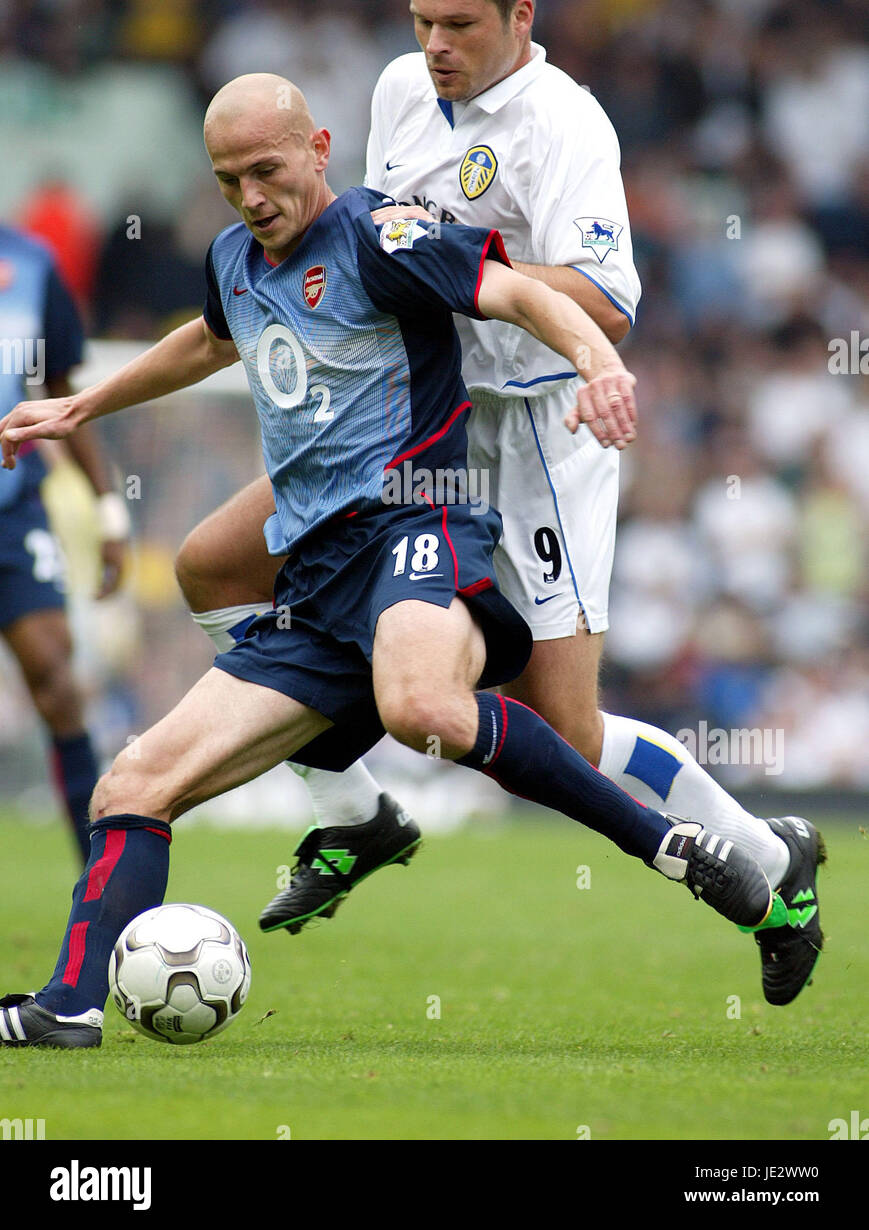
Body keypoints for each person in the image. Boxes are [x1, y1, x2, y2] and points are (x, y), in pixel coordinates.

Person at [0, 75, 774, 1048]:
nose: (250, 196)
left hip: (419, 524)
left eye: (268, 171)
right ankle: (67, 1006)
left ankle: (672, 845)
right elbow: (207, 342)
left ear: (320, 148)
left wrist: (598, 363)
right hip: (318, 583)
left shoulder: (379, 234)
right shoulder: (234, 256)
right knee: (134, 781)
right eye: (229, 178)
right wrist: (79, 407)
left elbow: (516, 291)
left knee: (420, 709)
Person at [174, 0, 824, 1007]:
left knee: (560, 724)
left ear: (520, 16)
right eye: (422, 18)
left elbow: (607, 299)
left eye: (460, 24)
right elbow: (370, 244)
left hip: (531, 430)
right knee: (212, 567)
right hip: (407, 424)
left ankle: (767, 858)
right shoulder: (394, 92)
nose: (434, 44)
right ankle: (354, 812)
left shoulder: (562, 126)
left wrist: (475, 274)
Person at [0, 223, 128, 864]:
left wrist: (109, 510)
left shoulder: (29, 262)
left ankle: (98, 874)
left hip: (11, 507)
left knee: (54, 672)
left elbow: (60, 392)